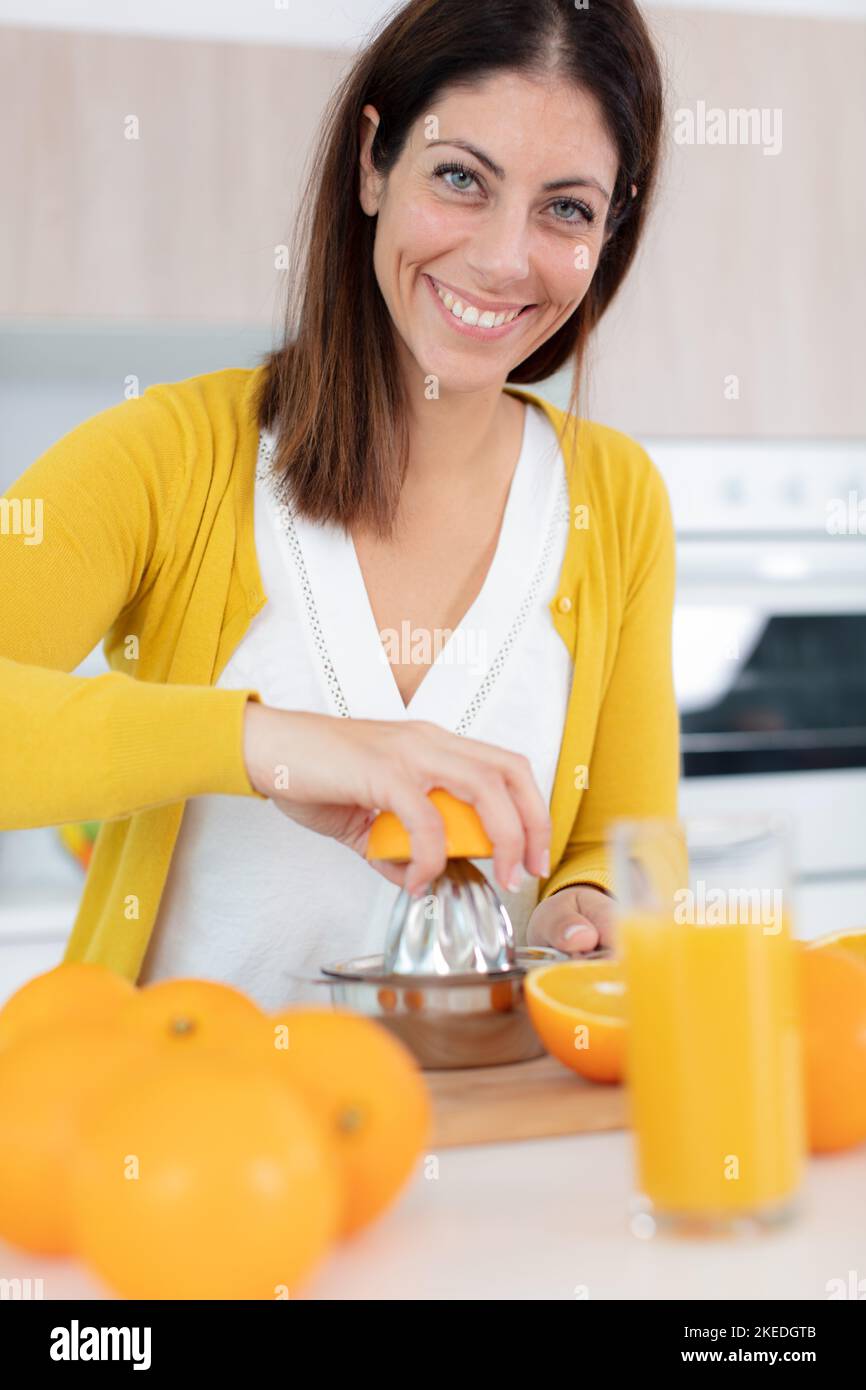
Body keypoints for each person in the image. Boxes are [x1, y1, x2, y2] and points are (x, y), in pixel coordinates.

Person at [0, 0, 678, 1007]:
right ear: (372, 163)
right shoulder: (172, 456)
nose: (503, 257)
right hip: (199, 1140)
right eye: (461, 179)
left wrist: (582, 910)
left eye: (564, 208)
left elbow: (626, 846)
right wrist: (274, 742)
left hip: (486, 1136)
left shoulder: (614, 497)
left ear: (609, 229)